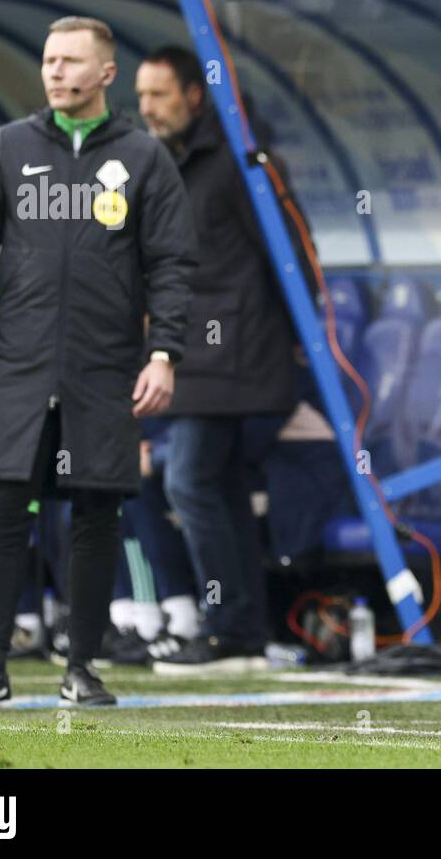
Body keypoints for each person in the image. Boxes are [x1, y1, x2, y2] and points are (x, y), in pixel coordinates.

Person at [0, 15, 195, 707]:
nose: (55, 71)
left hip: (104, 365)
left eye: (71, 61)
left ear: (106, 73)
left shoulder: (145, 159)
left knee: (96, 512)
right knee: (4, 507)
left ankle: (83, 665)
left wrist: (164, 352)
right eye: (49, 59)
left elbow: (172, 265)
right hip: (19, 364)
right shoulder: (7, 148)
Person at [135, 46, 298, 672]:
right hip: (200, 356)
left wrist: (302, 350)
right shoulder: (174, 164)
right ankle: (245, 633)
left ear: (194, 96)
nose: (147, 109)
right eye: (142, 97)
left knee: (188, 480)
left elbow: (287, 253)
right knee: (221, 488)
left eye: (159, 95)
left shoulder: (236, 162)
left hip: (237, 355)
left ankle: (228, 627)